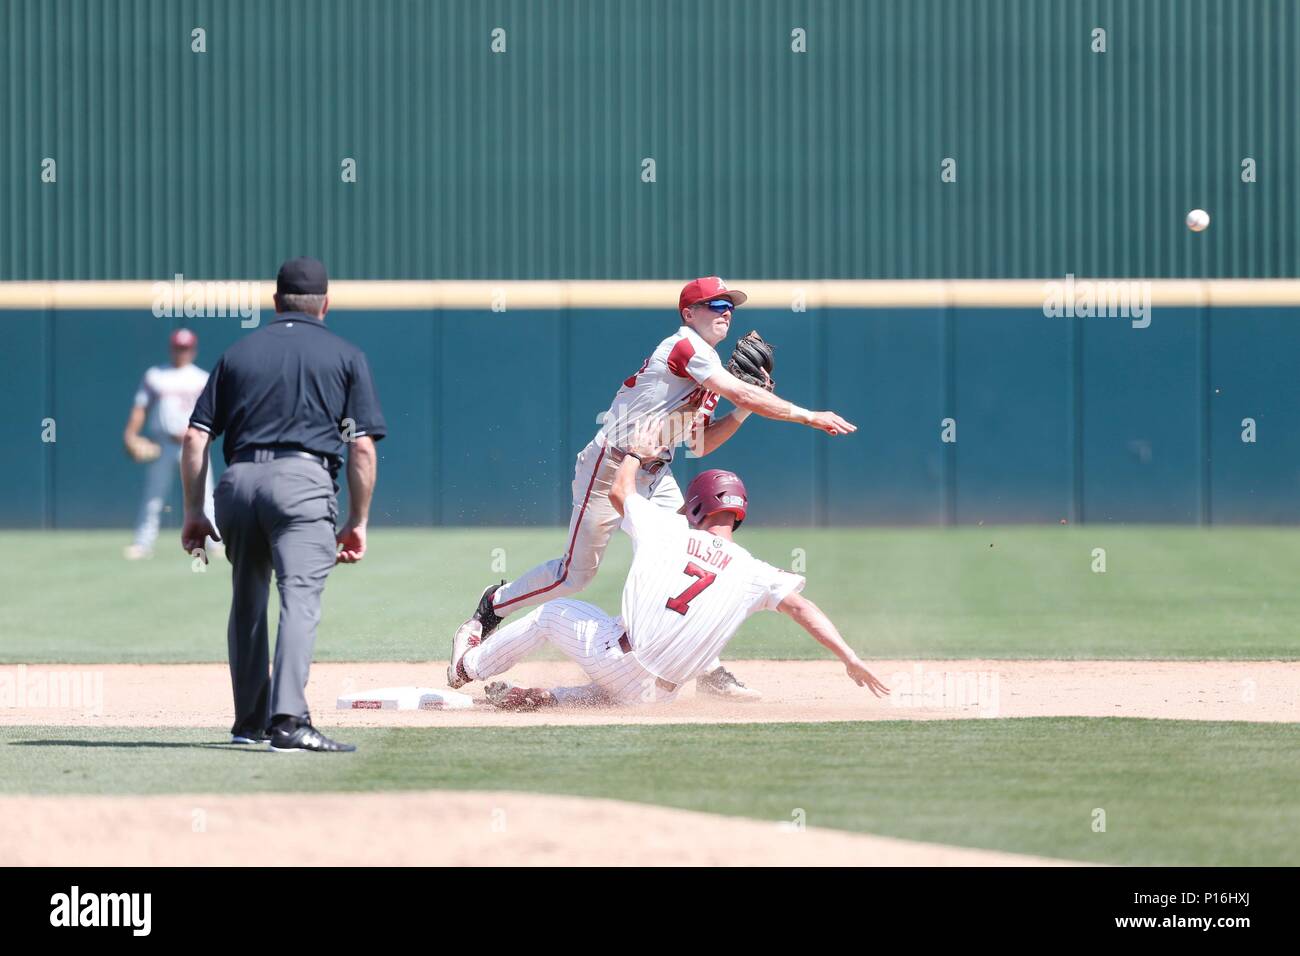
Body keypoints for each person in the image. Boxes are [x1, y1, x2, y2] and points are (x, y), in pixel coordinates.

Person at [450, 276, 857, 700]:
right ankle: (494, 604)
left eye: (729, 305)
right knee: (575, 576)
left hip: (656, 472)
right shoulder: (685, 346)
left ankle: (708, 670)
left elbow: (701, 442)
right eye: (715, 305)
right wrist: (807, 415)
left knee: (693, 556)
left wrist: (742, 411)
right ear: (689, 313)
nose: (726, 312)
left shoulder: (710, 372)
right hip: (611, 465)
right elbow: (740, 390)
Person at [448, 419, 888, 710]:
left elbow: (621, 495)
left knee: (551, 615)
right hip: (658, 698)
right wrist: (849, 657)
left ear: (695, 507)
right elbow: (802, 608)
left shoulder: (670, 531)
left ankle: (467, 667)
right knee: (613, 689)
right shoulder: (755, 572)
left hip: (619, 662)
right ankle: (544, 698)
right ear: (739, 512)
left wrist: (635, 456)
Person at [180, 257, 386, 753]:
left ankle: (249, 722)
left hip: (239, 481)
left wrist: (193, 511)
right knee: (299, 599)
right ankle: (289, 721)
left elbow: (194, 438)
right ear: (325, 305)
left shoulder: (238, 352)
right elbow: (361, 447)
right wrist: (357, 520)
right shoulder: (345, 354)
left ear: (275, 303)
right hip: (302, 481)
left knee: (248, 597)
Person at [122, 328, 214, 560]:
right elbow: (140, 408)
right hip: (163, 442)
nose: (181, 352)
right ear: (171, 348)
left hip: (193, 444)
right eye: (178, 347)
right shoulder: (156, 375)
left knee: (205, 495)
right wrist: (131, 435)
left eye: (186, 348)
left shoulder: (202, 377)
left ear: (193, 350)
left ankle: (213, 544)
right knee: (154, 496)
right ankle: (143, 544)